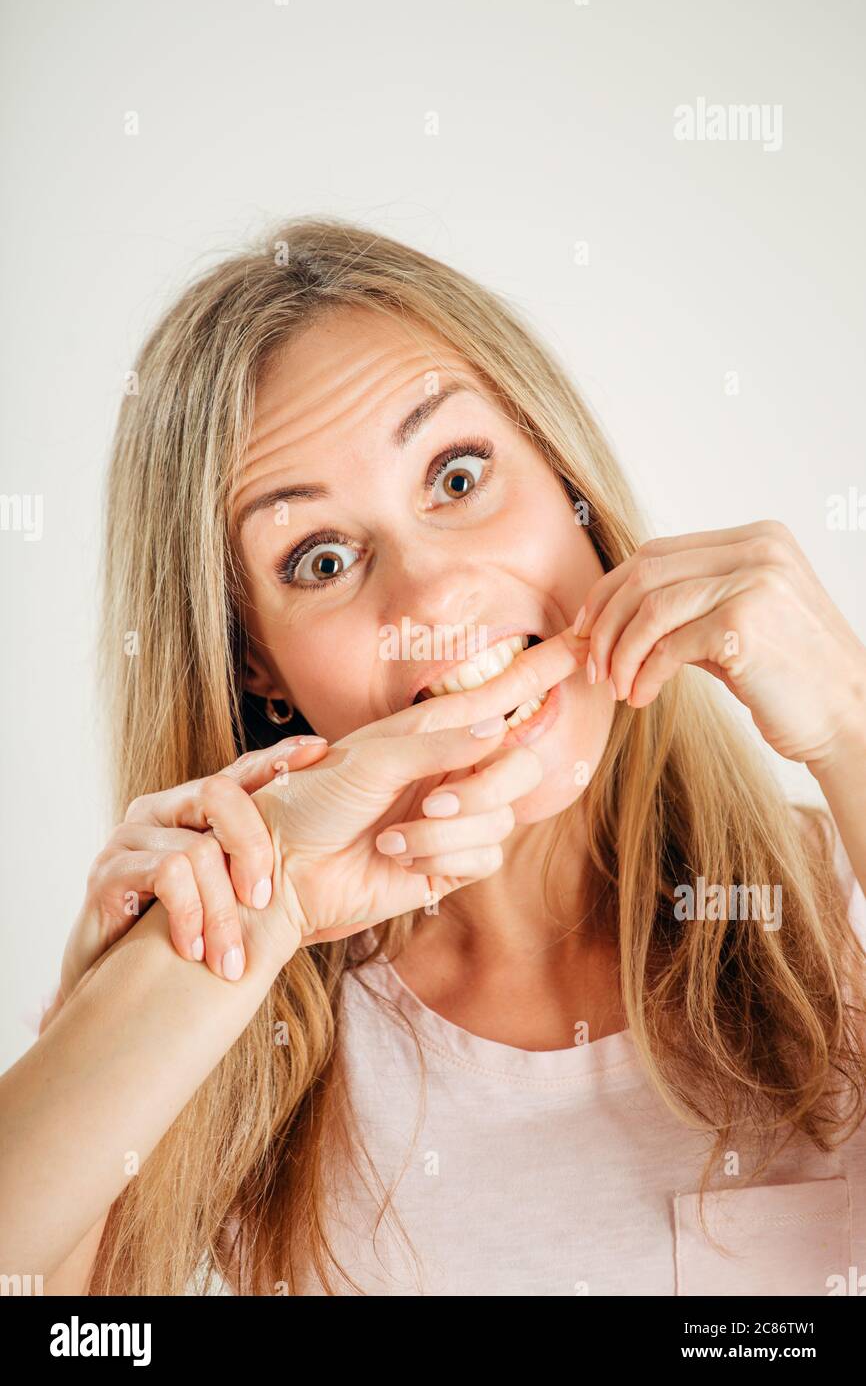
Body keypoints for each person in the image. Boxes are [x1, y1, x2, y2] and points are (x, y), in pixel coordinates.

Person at [2, 217, 865, 1296]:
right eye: (320, 558)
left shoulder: (842, 905)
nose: (431, 598)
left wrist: (848, 723)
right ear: (257, 668)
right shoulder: (218, 1040)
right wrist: (192, 957)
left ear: (571, 491)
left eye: (457, 477)